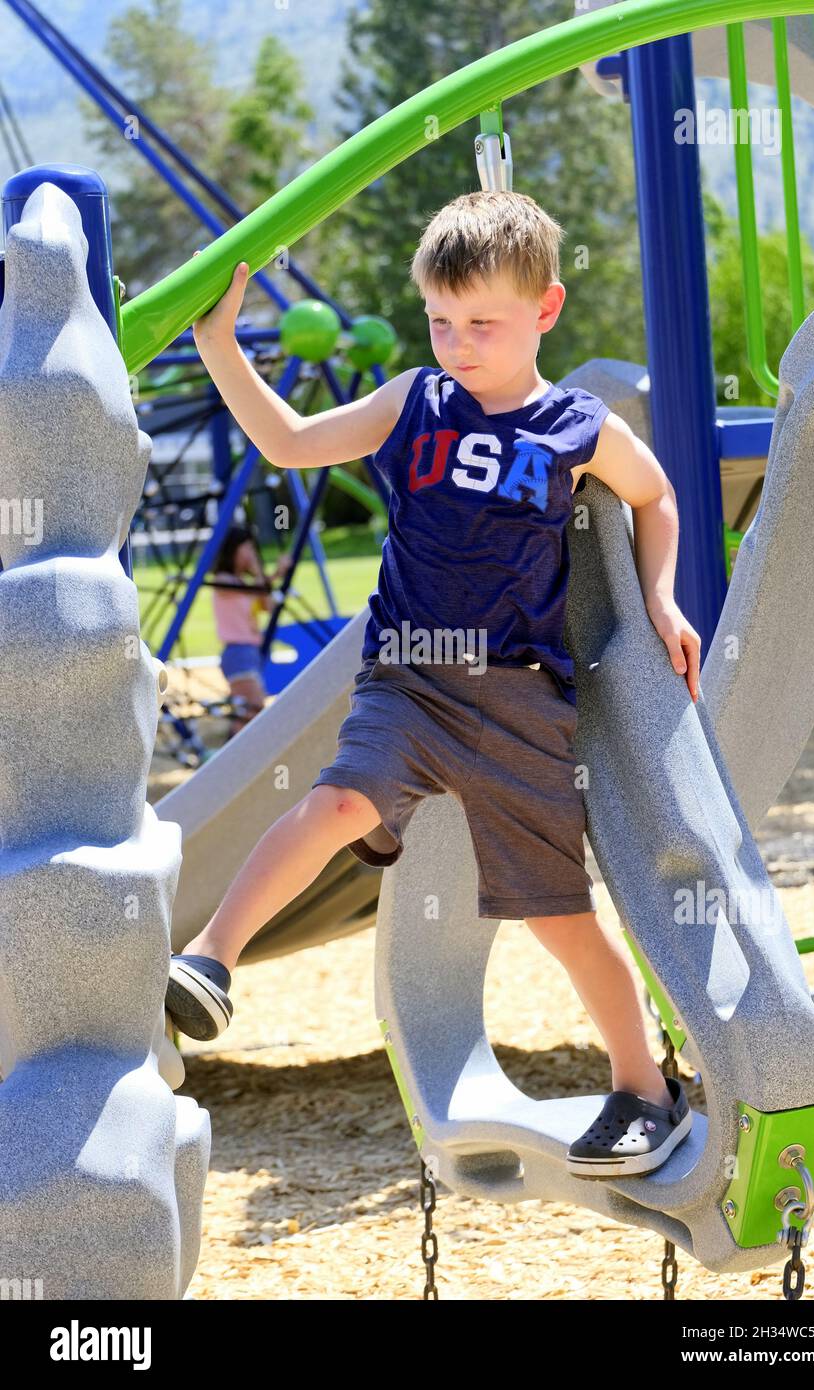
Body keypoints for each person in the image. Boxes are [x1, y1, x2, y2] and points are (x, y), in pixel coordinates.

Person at [167, 193, 701, 1177]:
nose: (458, 345)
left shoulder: (576, 426)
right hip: (407, 675)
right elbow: (289, 441)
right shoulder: (411, 402)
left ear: (545, 309)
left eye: (482, 324)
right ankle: (210, 957)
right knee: (332, 801)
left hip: (516, 701)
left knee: (555, 916)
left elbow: (657, 494)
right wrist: (220, 348)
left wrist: (661, 600)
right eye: (440, 322)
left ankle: (640, 1088)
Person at [210, 523, 290, 738]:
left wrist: (274, 575)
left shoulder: (244, 584)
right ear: (233, 550)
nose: (251, 554)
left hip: (250, 653)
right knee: (253, 713)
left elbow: (268, 605)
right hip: (238, 654)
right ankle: (232, 759)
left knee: (248, 714)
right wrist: (264, 573)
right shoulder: (222, 581)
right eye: (247, 548)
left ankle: (231, 758)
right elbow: (251, 590)